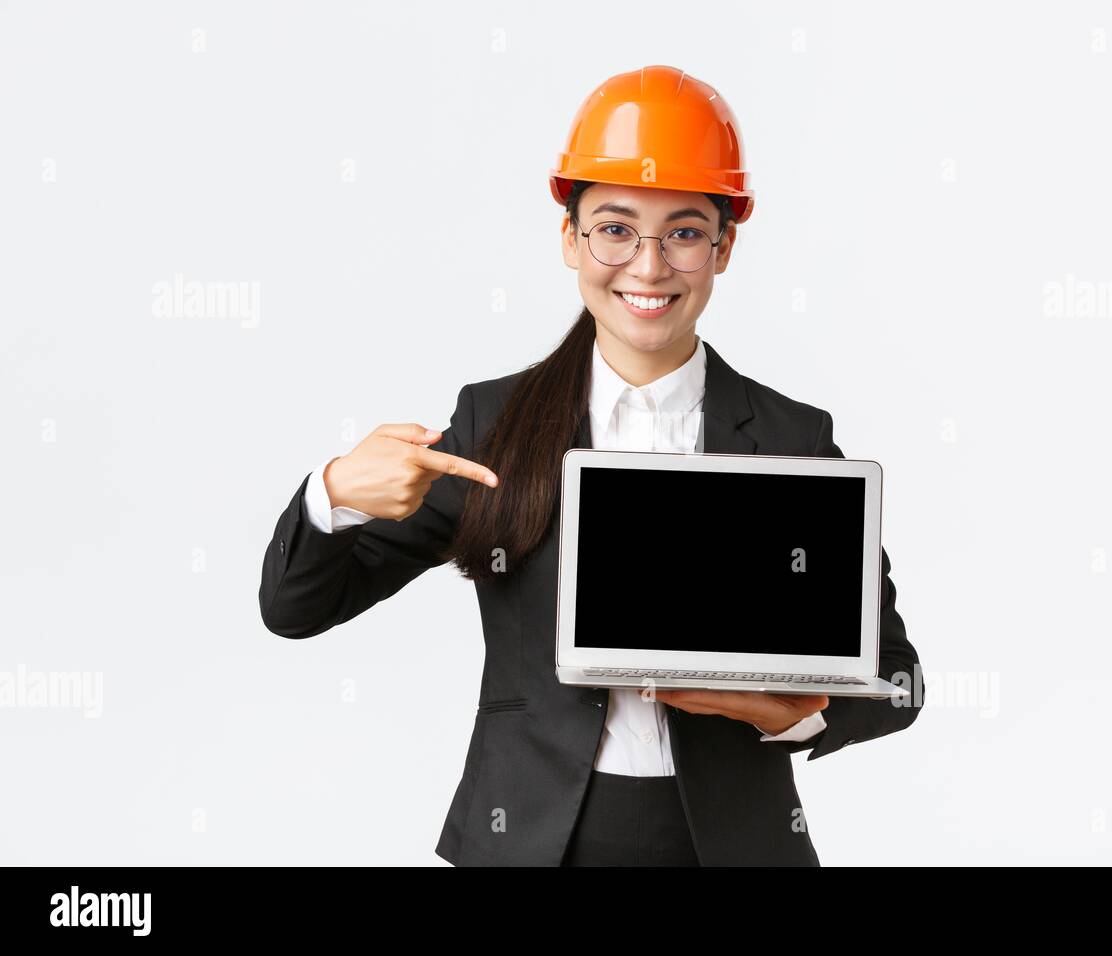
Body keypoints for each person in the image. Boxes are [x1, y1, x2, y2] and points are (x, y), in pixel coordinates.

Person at [259, 64, 923, 866]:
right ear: (571, 237)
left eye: (682, 231)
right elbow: (295, 608)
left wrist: (794, 715)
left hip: (729, 844)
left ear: (723, 247)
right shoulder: (493, 427)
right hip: (531, 839)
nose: (647, 267)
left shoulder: (791, 436)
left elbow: (898, 680)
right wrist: (335, 496)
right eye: (615, 228)